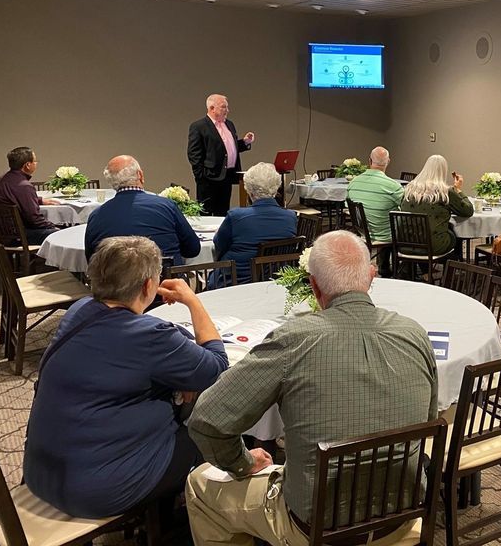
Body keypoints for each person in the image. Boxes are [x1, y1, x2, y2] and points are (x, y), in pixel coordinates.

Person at [184, 230, 438, 546]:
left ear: (313, 285)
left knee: (199, 485)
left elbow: (207, 421)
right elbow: (428, 423)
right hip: (401, 516)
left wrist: (244, 464)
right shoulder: (414, 334)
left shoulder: (295, 338)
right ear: (371, 277)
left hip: (316, 527)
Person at [23, 236, 228, 518]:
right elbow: (216, 368)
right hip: (99, 490)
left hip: (41, 474)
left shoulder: (78, 311)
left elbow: (115, 365)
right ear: (148, 285)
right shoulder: (150, 336)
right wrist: (193, 302)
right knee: (209, 433)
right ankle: (180, 523)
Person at [85, 155, 200, 265]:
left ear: (111, 182)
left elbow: (92, 260)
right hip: (165, 282)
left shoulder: (96, 216)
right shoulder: (167, 206)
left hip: (115, 284)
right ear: (140, 175)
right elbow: (193, 249)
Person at [211, 162, 297, 285]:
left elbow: (218, 245)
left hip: (234, 281)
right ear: (276, 189)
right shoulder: (290, 217)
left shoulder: (236, 216)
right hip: (276, 280)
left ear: (250, 192)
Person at [187, 93, 255, 216]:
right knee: (206, 214)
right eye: (224, 107)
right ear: (212, 108)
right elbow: (193, 154)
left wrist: (244, 142)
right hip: (208, 179)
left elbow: (228, 149)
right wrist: (200, 176)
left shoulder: (229, 124)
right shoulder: (199, 126)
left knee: (223, 212)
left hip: (226, 177)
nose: (227, 110)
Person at [400, 154, 473, 257]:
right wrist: (458, 190)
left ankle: (421, 268)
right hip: (433, 246)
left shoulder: (409, 189)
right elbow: (468, 210)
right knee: (455, 234)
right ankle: (452, 269)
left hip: (405, 243)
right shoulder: (445, 192)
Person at [346, 146, 403, 275]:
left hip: (362, 231)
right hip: (386, 234)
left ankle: (383, 266)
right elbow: (404, 206)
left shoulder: (353, 183)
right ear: (388, 162)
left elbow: (348, 205)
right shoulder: (393, 186)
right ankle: (401, 270)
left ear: (369, 161)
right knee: (400, 223)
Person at [0, 146, 61, 244]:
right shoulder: (24, 185)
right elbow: (34, 220)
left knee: (60, 229)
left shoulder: (2, 179)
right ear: (27, 165)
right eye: (35, 161)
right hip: (18, 236)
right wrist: (55, 227)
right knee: (61, 233)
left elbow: (15, 199)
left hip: (3, 233)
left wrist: (39, 200)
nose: (36, 163)